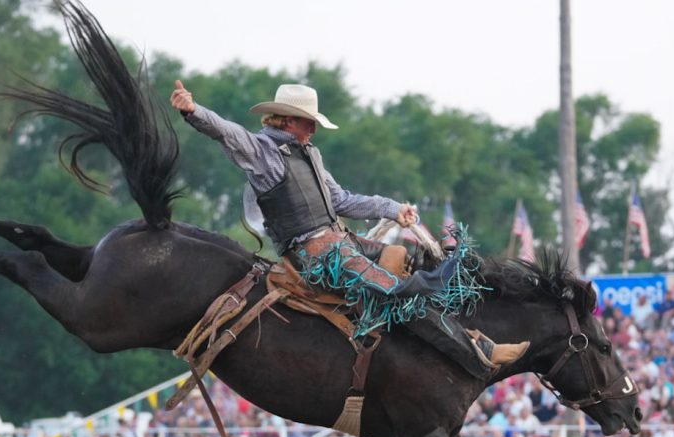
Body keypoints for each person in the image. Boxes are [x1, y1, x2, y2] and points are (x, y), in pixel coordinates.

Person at [170, 81, 527, 379]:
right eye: (308, 122)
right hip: (315, 256)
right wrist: (193, 111)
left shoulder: (310, 153)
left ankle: (456, 321)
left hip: (342, 242)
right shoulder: (262, 151)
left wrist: (392, 208)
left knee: (408, 261)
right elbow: (227, 132)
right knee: (393, 290)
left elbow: (341, 200)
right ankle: (477, 354)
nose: (313, 129)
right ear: (288, 120)